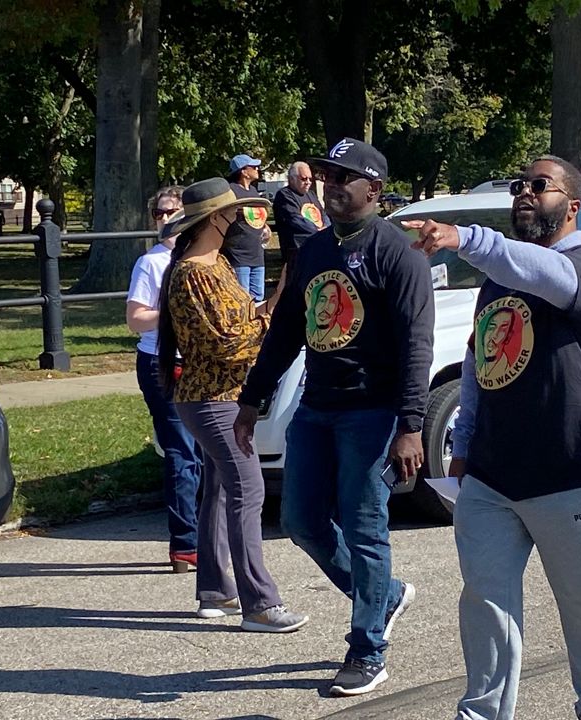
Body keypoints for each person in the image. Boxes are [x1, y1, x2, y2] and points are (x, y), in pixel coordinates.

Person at [402, 155, 581, 720]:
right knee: (486, 607)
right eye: (518, 186)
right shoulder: (501, 279)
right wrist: (463, 447)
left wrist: (465, 237)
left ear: (572, 205)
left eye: (539, 186)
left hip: (570, 470)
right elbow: (479, 363)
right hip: (491, 478)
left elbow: (547, 274)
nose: (524, 193)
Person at [234, 137, 432, 697]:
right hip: (317, 407)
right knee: (300, 521)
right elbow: (286, 332)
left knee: (366, 527)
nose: (332, 186)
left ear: (375, 188)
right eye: (326, 176)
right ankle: (385, 596)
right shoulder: (315, 250)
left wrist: (411, 425)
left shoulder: (397, 253)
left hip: (372, 411)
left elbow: (416, 344)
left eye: (344, 177)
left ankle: (367, 649)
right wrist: (252, 399)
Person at [156, 177, 308, 633]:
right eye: (235, 212)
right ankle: (259, 604)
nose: (243, 219)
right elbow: (227, 343)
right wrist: (275, 315)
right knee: (248, 488)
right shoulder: (194, 273)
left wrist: (273, 301)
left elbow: (241, 320)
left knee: (221, 489)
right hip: (212, 398)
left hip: (216, 396)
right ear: (216, 219)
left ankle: (215, 592)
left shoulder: (216, 263)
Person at [126, 186, 203, 573]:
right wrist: (174, 312)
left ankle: (206, 535)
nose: (165, 218)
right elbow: (135, 319)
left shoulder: (202, 257)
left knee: (204, 451)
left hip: (199, 364)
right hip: (161, 362)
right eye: (159, 213)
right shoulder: (151, 263)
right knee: (182, 451)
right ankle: (186, 544)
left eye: (172, 211)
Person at [225, 154, 272, 300]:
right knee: (243, 298)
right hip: (239, 255)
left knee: (258, 297)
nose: (257, 169)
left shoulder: (253, 191)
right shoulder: (231, 191)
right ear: (243, 171)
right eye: (254, 167)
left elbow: (256, 215)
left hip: (257, 254)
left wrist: (265, 226)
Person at [273, 160, 329, 275]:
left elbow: (323, 214)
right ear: (292, 179)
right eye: (304, 179)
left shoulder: (311, 194)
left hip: (317, 248)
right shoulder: (284, 195)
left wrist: (327, 229)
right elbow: (295, 219)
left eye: (310, 179)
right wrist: (319, 231)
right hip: (297, 252)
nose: (308, 182)